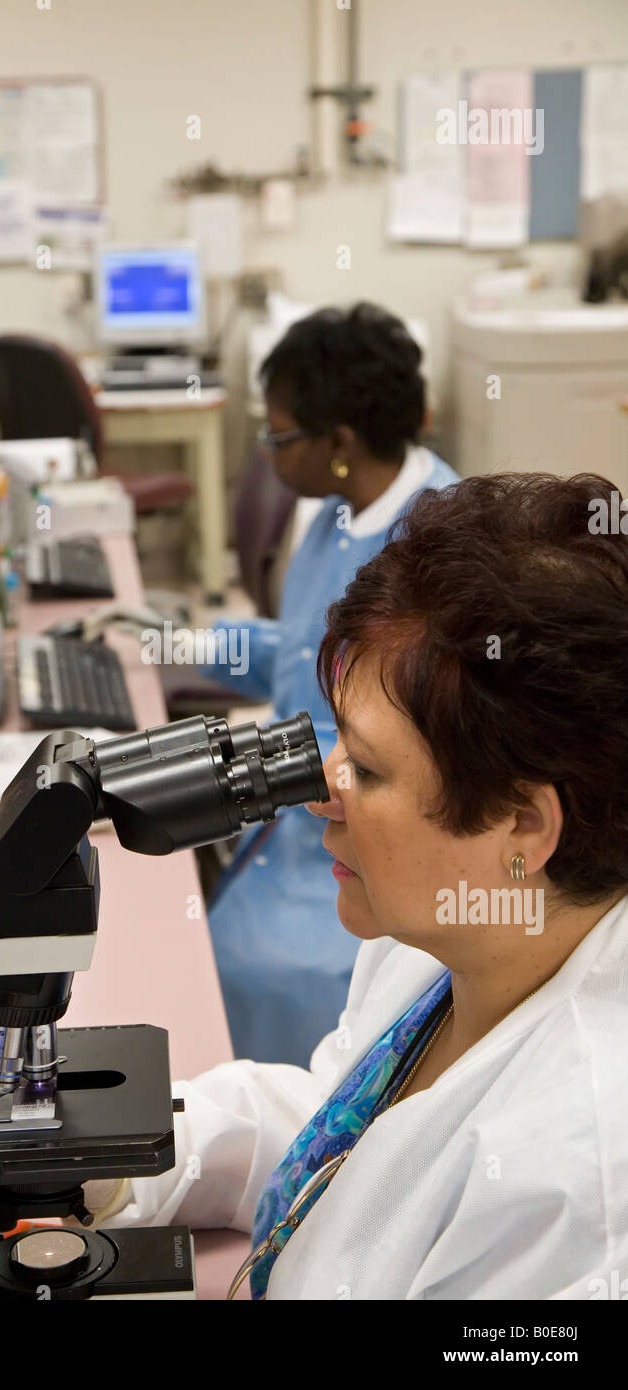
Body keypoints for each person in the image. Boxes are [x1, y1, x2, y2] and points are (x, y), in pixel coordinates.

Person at [92, 472, 628, 1300]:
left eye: (368, 769)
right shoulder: (459, 932)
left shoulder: (565, 1186)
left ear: (524, 824)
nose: (320, 790)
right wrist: (117, 1165)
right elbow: (346, 1137)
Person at [200, 302, 458, 1065]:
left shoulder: (430, 549)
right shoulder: (340, 513)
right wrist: (182, 643)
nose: (267, 454)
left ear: (339, 442)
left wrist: (218, 764)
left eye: (278, 437)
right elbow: (307, 654)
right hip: (300, 809)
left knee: (245, 964)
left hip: (375, 831)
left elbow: (408, 750)